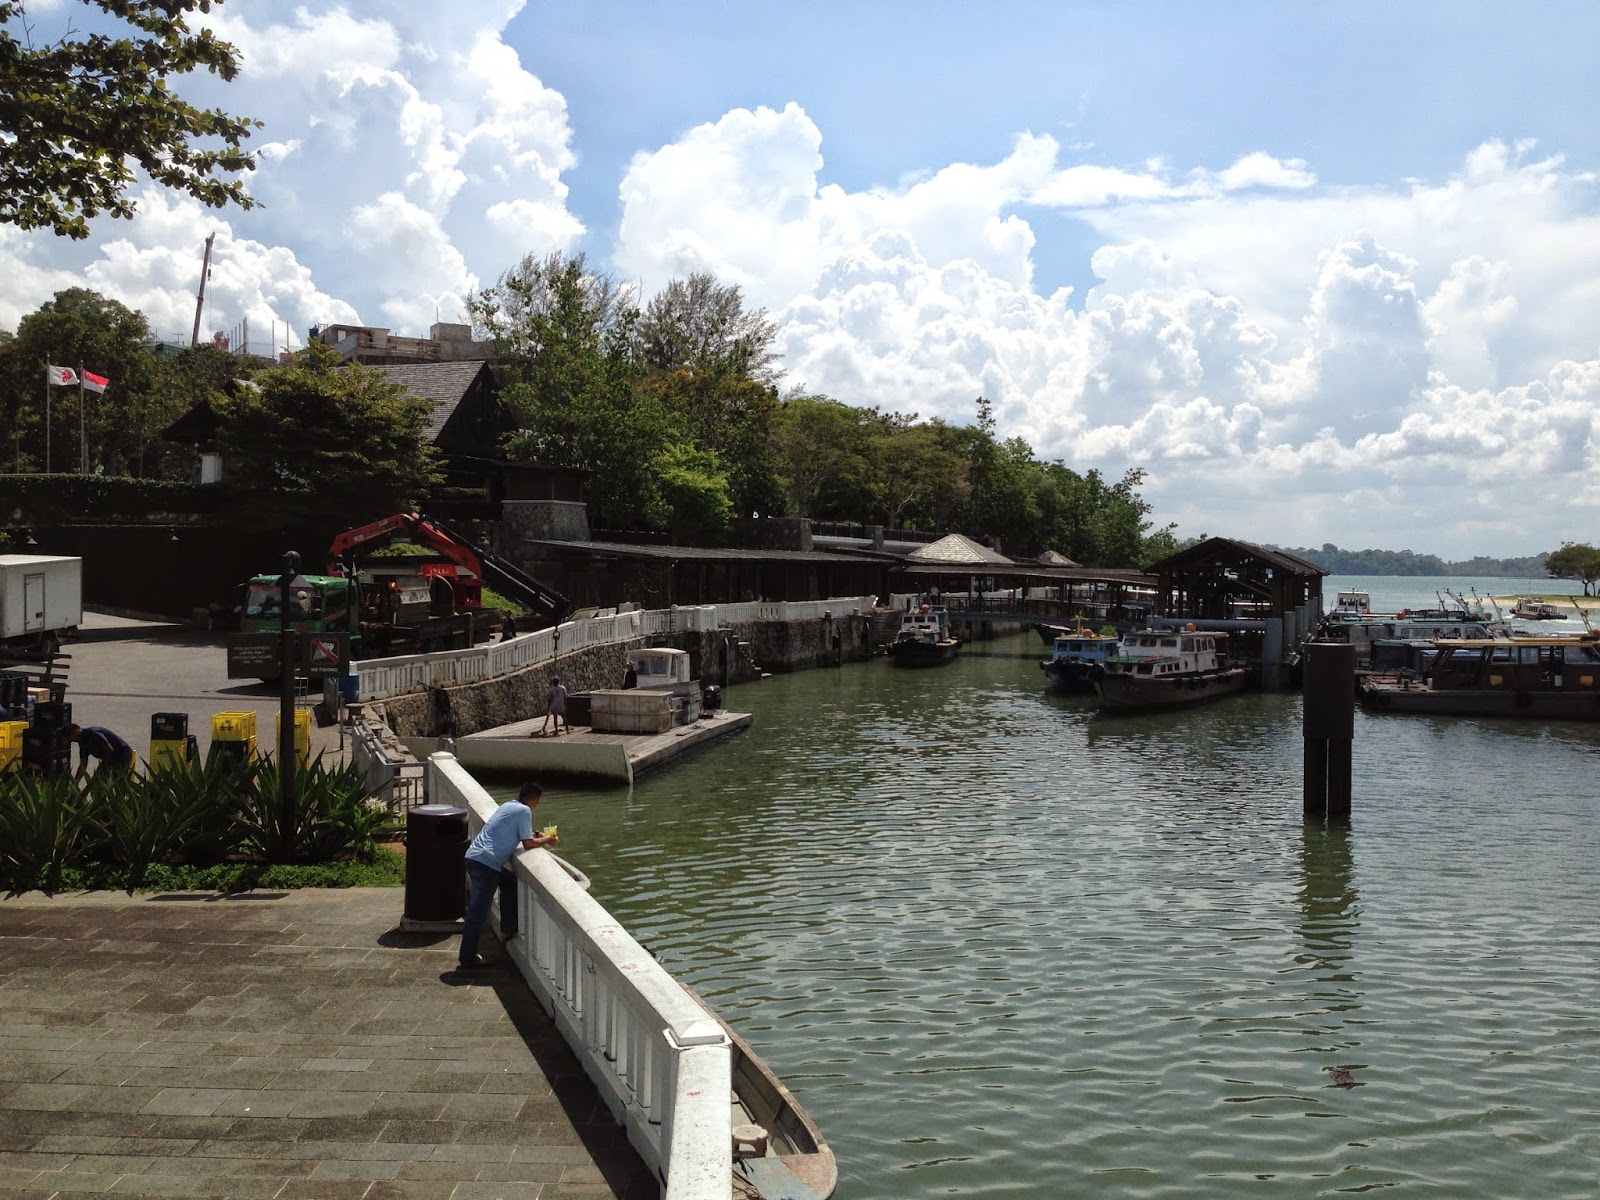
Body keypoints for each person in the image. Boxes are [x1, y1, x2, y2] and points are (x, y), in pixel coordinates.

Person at [458, 781, 558, 970]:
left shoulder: (508, 805)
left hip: (474, 856)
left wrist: (537, 836)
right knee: (477, 915)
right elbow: (527, 844)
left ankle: (507, 928)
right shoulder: (524, 811)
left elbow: (521, 836)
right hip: (486, 865)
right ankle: (467, 958)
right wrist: (548, 839)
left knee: (509, 881)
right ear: (534, 800)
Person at [69, 724, 134, 772]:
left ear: (76, 730)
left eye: (70, 736)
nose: (71, 740)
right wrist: (76, 782)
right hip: (108, 759)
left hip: (122, 754)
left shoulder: (92, 732)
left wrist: (104, 767)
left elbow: (109, 749)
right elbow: (83, 764)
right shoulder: (82, 743)